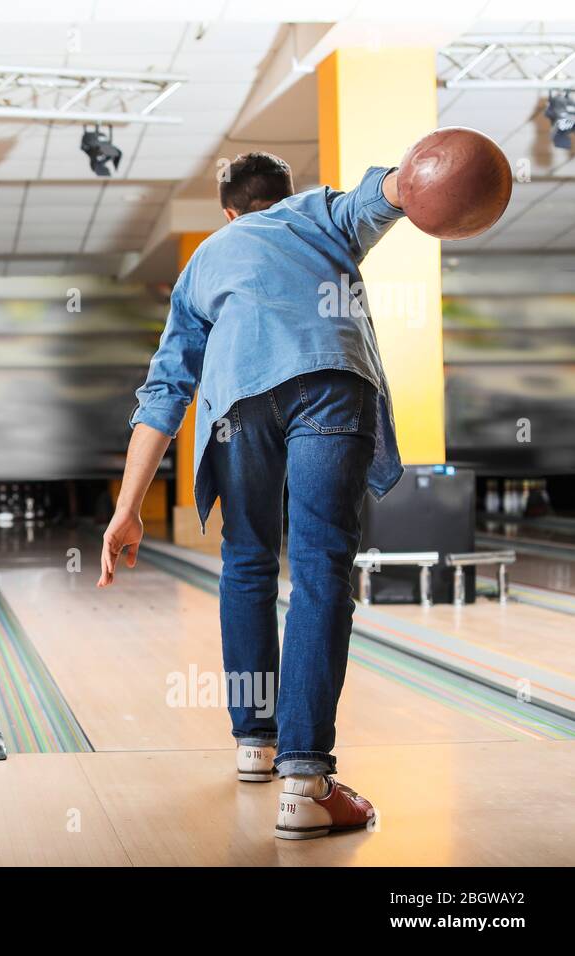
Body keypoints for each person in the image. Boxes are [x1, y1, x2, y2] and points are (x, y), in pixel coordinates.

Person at [98, 152, 407, 840]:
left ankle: (255, 743)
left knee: (246, 564)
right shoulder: (319, 213)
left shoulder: (205, 259)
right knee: (321, 567)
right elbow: (380, 197)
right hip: (330, 379)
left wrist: (126, 509)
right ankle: (305, 784)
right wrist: (415, 173)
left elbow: (165, 394)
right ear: (286, 196)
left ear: (230, 212)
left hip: (237, 408)